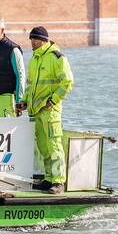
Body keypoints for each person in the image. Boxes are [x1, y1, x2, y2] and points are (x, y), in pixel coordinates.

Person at [19, 26, 74, 194]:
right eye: (31, 40)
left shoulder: (57, 58)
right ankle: (49, 178)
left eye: (34, 40)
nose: (31, 43)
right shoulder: (34, 59)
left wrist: (53, 100)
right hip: (36, 110)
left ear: (42, 40)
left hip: (50, 111)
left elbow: (67, 83)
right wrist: (24, 101)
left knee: (54, 145)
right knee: (43, 146)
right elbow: (30, 86)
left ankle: (58, 182)